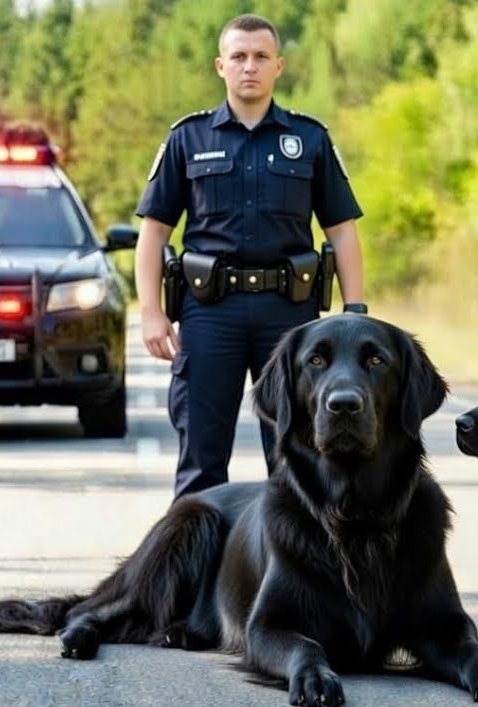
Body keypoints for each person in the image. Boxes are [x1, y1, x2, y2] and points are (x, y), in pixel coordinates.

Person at [134, 13, 366, 499]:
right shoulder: (188, 139)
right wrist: (152, 313)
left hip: (289, 315)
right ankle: (195, 573)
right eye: (238, 57)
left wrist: (355, 312)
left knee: (296, 459)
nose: (249, 67)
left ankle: (299, 573)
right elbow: (153, 232)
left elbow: (341, 231)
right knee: (200, 458)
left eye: (261, 57)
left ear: (278, 66)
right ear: (220, 66)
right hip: (208, 312)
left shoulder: (309, 139)